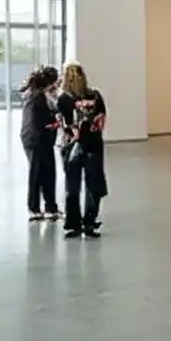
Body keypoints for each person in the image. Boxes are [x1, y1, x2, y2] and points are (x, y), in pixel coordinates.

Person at [56, 63, 108, 239]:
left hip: (72, 146)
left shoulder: (63, 98)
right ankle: (90, 222)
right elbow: (102, 121)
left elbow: (62, 123)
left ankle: (73, 224)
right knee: (93, 186)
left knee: (72, 187)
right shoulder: (95, 95)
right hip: (93, 145)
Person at [19, 65, 61, 221]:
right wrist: (57, 124)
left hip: (33, 138)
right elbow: (45, 121)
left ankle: (49, 206)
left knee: (46, 171)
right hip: (37, 139)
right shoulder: (39, 98)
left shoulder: (36, 95)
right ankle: (35, 208)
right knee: (38, 173)